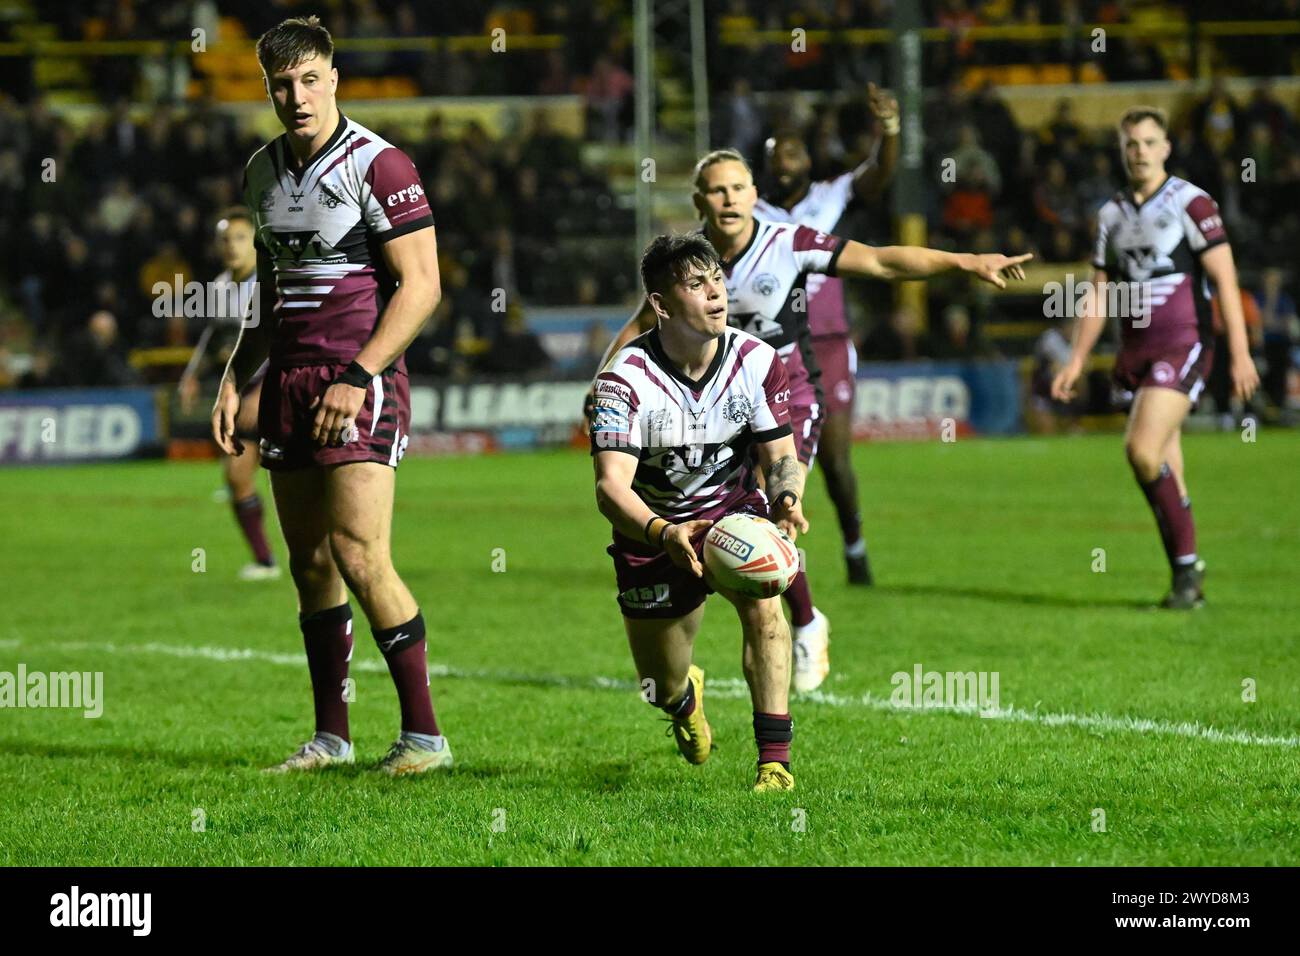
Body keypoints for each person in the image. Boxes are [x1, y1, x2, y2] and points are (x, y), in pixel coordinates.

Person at [598, 148, 1029, 692]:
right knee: (737, 512)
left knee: (771, 499)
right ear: (699, 200)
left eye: (739, 187)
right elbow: (641, 325)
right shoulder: (690, 266)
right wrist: (602, 384)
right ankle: (794, 617)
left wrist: (965, 262)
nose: (730, 199)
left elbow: (880, 261)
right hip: (723, 405)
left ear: (756, 194)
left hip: (791, 394)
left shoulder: (787, 243)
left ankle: (801, 625)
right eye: (717, 190)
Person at [212, 16, 448, 774]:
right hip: (288, 380)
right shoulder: (261, 171)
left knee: (358, 552)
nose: (297, 96)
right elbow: (270, 290)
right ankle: (331, 738)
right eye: (282, 85)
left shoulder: (379, 165)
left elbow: (422, 287)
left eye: (310, 80)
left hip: (359, 377)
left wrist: (360, 374)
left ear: (334, 79)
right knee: (310, 562)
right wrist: (235, 373)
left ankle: (425, 737)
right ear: (269, 88)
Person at [591, 233, 808, 792]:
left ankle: (774, 763)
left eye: (717, 280)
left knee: (766, 605)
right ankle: (684, 699)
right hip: (653, 532)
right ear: (661, 305)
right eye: (696, 285)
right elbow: (610, 488)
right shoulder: (624, 379)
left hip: (732, 514)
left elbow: (781, 454)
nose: (716, 294)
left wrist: (786, 499)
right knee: (658, 685)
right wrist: (663, 533)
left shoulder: (756, 360)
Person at [1052, 106, 1259, 609]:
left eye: (1148, 142)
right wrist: (1078, 359)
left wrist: (1240, 353)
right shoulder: (1109, 215)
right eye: (1131, 144)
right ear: (1122, 152)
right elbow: (1099, 294)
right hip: (1135, 351)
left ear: (1166, 148)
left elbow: (1225, 281)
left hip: (1183, 342)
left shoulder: (1192, 203)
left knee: (1141, 451)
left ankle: (1187, 573)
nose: (1139, 152)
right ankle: (1187, 579)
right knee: (1167, 464)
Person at [754, 82, 900, 586]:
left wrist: (890, 130)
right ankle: (779, 557)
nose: (783, 162)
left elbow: (878, 176)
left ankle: (854, 547)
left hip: (830, 340)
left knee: (836, 460)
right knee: (771, 463)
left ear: (808, 160)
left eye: (792, 152)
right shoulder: (752, 214)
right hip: (772, 347)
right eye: (774, 155)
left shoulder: (829, 196)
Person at [179, 207, 280, 581]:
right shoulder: (221, 286)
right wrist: (192, 375)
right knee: (237, 477)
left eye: (239, 238)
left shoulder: (269, 283)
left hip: (279, 387)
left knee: (307, 478)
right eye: (225, 239)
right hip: (245, 391)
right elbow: (212, 338)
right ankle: (265, 560)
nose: (231, 247)